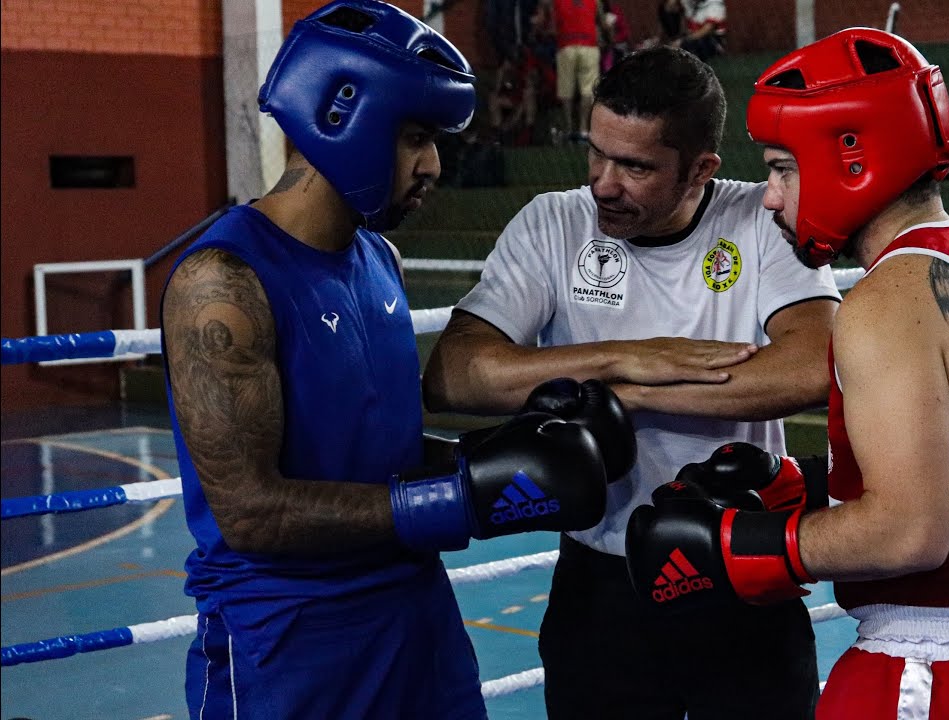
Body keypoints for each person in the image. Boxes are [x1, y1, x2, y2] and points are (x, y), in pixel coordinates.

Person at [160, 3, 625, 718]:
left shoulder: (380, 257)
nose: (433, 164)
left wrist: (511, 454)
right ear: (341, 117)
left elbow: (375, 444)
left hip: (416, 619)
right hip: (287, 643)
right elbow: (251, 512)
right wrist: (464, 498)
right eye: (414, 138)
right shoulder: (222, 283)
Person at [624, 28, 949, 718]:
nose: (771, 198)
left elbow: (909, 532)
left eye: (783, 168)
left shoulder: (885, 302)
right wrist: (809, 484)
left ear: (852, 158)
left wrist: (739, 546)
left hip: (936, 668)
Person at [425, 45, 840, 719]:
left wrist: (632, 393)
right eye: (597, 153)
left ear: (701, 168)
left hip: (741, 570)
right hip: (601, 583)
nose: (604, 183)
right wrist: (626, 357)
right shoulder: (552, 223)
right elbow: (454, 374)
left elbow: (817, 362)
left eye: (636, 166)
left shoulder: (759, 221)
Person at [550, 0, 601, 142]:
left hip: (566, 45)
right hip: (589, 44)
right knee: (587, 89)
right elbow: (601, 20)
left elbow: (554, 27)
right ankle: (583, 130)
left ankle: (569, 129)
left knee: (566, 90)